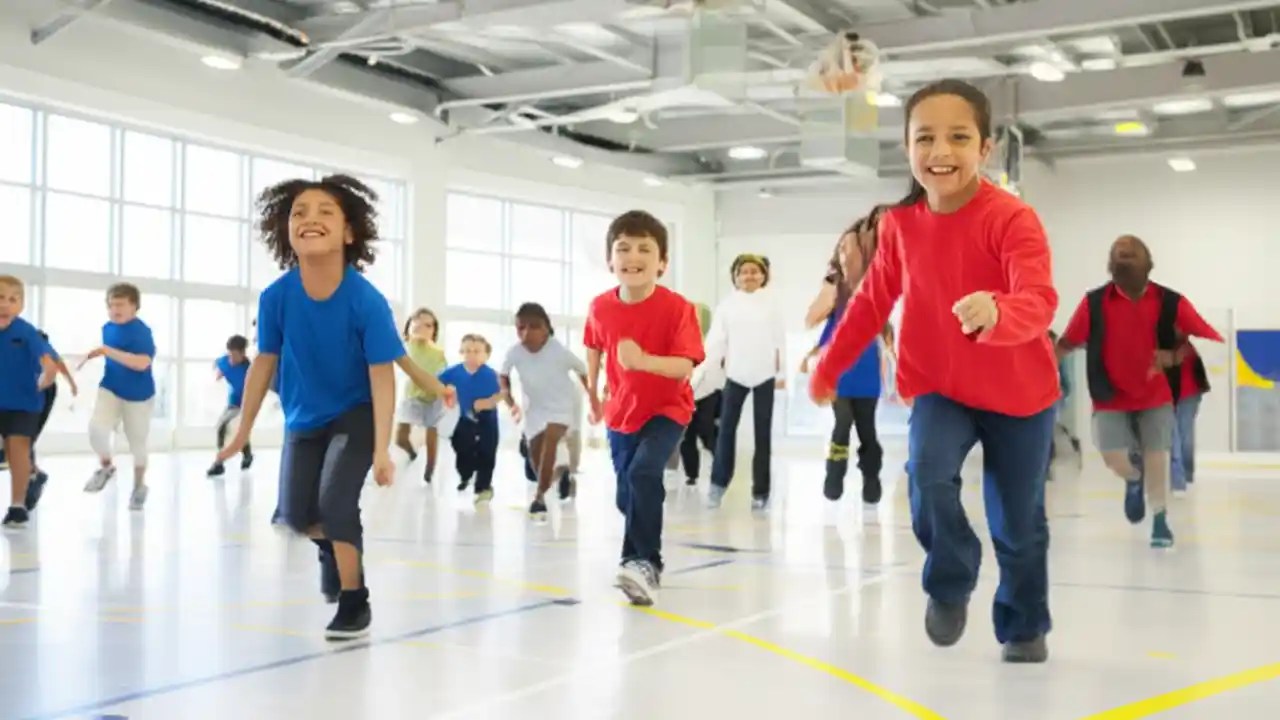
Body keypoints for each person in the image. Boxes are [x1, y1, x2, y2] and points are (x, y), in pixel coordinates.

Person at [811, 79, 1059, 663]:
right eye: (925, 137)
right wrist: (831, 366)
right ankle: (951, 577)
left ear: (986, 148)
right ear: (907, 148)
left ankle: (1024, 625)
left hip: (1020, 394)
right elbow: (869, 302)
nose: (940, 151)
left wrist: (999, 311)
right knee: (925, 477)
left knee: (1018, 524)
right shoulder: (899, 227)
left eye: (958, 137)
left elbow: (1040, 298)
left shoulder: (1012, 219)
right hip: (942, 388)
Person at [216, 174, 403, 641]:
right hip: (304, 416)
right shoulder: (277, 297)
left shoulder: (366, 300)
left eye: (325, 212)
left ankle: (354, 601)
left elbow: (383, 377)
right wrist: (242, 428)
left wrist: (382, 448)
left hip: (355, 412)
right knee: (297, 516)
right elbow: (265, 363)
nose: (310, 219)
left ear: (348, 232)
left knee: (337, 503)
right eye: (299, 212)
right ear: (286, 231)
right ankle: (332, 551)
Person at [1057, 235, 1222, 547]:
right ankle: (1133, 479)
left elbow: (1197, 342)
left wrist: (1171, 357)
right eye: (1119, 252)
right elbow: (1067, 342)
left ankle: (1160, 520)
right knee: (1113, 458)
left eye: (1132, 251)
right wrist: (1041, 368)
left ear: (1148, 262)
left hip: (1154, 395)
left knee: (1157, 455)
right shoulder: (1094, 303)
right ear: (1111, 265)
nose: (1125, 252)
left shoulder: (1171, 302)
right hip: (1110, 395)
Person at [584, 209, 705, 606]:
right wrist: (593, 391)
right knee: (629, 495)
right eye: (623, 248)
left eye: (644, 249)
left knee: (643, 471)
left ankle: (642, 563)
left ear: (662, 263)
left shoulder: (677, 308)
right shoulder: (600, 307)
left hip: (668, 409)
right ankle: (638, 560)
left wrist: (644, 361)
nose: (632, 256)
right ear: (610, 261)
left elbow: (685, 366)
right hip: (621, 413)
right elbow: (594, 345)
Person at [803, 210, 891, 504]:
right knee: (842, 425)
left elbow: (888, 336)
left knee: (867, 429)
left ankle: (871, 478)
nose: (845, 254)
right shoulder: (834, 287)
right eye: (842, 248)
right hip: (839, 371)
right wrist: (828, 293)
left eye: (851, 249)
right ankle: (834, 475)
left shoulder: (878, 287)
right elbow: (812, 320)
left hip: (866, 369)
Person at [703, 254, 786, 511]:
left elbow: (780, 341)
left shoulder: (772, 305)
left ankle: (761, 492)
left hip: (764, 375)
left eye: (754, 271)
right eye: (744, 272)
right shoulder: (727, 306)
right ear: (735, 277)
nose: (749, 276)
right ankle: (717, 485)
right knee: (726, 431)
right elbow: (716, 341)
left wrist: (781, 375)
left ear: (763, 276)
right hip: (735, 375)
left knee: (763, 436)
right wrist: (705, 370)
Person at [499, 302, 595, 521]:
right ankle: (562, 476)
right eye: (521, 327)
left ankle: (539, 498)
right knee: (536, 459)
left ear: (545, 329)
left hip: (563, 405)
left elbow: (582, 370)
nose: (526, 333)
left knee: (550, 442)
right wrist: (509, 399)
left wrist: (592, 397)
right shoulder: (515, 352)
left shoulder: (557, 350)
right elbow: (503, 375)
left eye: (534, 327)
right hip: (535, 409)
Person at [80, 283, 157, 511]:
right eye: (111, 305)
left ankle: (139, 486)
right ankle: (106, 467)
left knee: (137, 444)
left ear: (134, 306)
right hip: (111, 388)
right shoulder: (107, 328)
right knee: (96, 429)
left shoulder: (141, 331)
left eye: (121, 304)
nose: (115, 309)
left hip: (139, 396)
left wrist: (107, 351)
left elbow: (142, 363)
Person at [0, 276, 58, 527]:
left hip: (26, 400)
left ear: (21, 305)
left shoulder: (26, 332)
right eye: (0, 298)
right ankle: (33, 475)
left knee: (17, 448)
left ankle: (17, 506)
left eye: (13, 299)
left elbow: (49, 361)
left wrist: (46, 375)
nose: (5, 304)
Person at [439, 333, 503, 504]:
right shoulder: (454, 372)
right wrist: (446, 395)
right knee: (461, 446)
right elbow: (437, 384)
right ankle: (466, 475)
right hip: (464, 416)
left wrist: (489, 402)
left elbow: (504, 392)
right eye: (467, 351)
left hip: (487, 417)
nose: (472, 354)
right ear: (461, 352)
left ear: (486, 354)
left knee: (487, 451)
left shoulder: (491, 375)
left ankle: (483, 487)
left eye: (477, 351)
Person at [395, 308, 448, 483]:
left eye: (428, 325)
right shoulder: (403, 348)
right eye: (417, 322)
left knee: (431, 429)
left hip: (433, 397)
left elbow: (444, 376)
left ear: (434, 331)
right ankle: (411, 453)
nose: (421, 327)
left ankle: (430, 469)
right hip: (411, 396)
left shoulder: (438, 353)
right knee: (400, 437)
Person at [681, 301, 721, 487]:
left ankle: (721, 467)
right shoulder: (679, 341)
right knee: (686, 437)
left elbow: (711, 370)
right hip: (683, 396)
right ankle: (692, 475)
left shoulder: (712, 343)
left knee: (707, 433)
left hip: (707, 394)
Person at [207, 334, 253, 477]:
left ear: (243, 354)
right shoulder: (225, 361)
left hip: (245, 405)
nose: (231, 359)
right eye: (230, 354)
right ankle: (247, 454)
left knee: (229, 428)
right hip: (232, 403)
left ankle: (219, 463)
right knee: (223, 429)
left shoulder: (249, 369)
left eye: (235, 356)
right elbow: (217, 364)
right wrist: (218, 373)